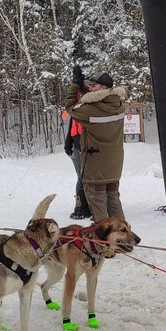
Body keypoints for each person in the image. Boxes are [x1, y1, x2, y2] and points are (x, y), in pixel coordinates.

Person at [65, 71, 127, 222]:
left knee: (98, 205)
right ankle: (122, 232)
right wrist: (83, 87)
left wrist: (75, 86)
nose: (90, 88)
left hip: (96, 166)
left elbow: (70, 107)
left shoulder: (92, 110)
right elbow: (97, 99)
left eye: (93, 86)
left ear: (103, 88)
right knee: (113, 200)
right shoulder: (118, 104)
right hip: (114, 164)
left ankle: (104, 235)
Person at [63, 66, 91, 219]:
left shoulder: (87, 104)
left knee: (84, 177)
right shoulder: (77, 107)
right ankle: (81, 206)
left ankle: (84, 206)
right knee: (81, 177)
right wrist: (68, 142)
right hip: (77, 145)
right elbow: (71, 122)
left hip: (84, 144)